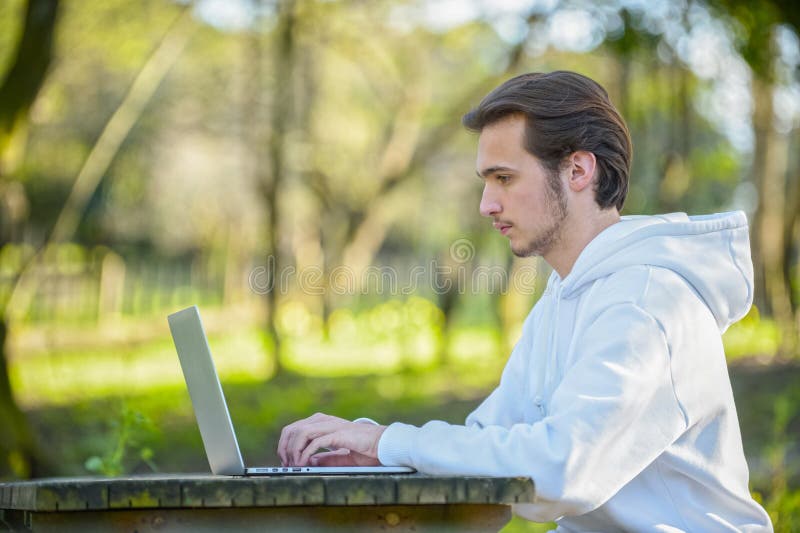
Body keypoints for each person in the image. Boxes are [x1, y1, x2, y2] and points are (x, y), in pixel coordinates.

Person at [277, 71, 773, 531]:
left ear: (577, 170)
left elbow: (561, 469)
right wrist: (372, 448)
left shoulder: (647, 303)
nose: (487, 204)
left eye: (504, 178)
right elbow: (490, 438)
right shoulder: (564, 298)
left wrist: (389, 442)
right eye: (486, 181)